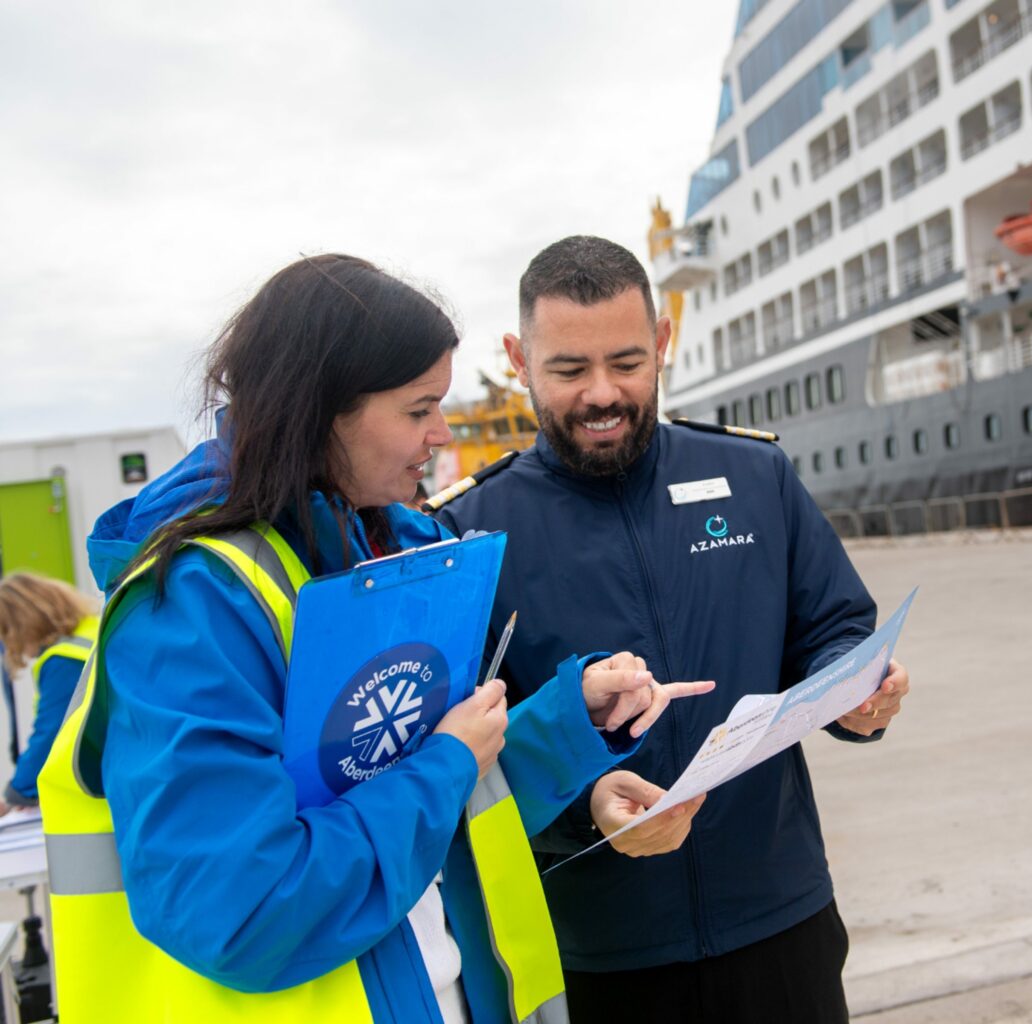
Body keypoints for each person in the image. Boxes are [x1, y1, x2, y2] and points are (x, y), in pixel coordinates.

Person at [36, 254, 710, 1023]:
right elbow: (245, 908)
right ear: (322, 411)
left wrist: (566, 721)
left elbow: (422, 796)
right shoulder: (191, 611)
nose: (443, 433)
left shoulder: (385, 551)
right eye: (420, 408)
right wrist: (450, 759)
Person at [432, 236, 912, 1024]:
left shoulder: (758, 478)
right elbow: (462, 763)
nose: (601, 393)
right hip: (596, 955)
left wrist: (862, 692)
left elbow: (836, 628)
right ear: (518, 359)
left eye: (626, 362)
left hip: (782, 921)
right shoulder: (466, 538)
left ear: (662, 342)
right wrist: (589, 807)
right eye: (568, 370)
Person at [0, 572, 99, 812]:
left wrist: (18, 792)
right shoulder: (89, 631)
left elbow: (52, 732)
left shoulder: (64, 659)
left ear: (21, 622)